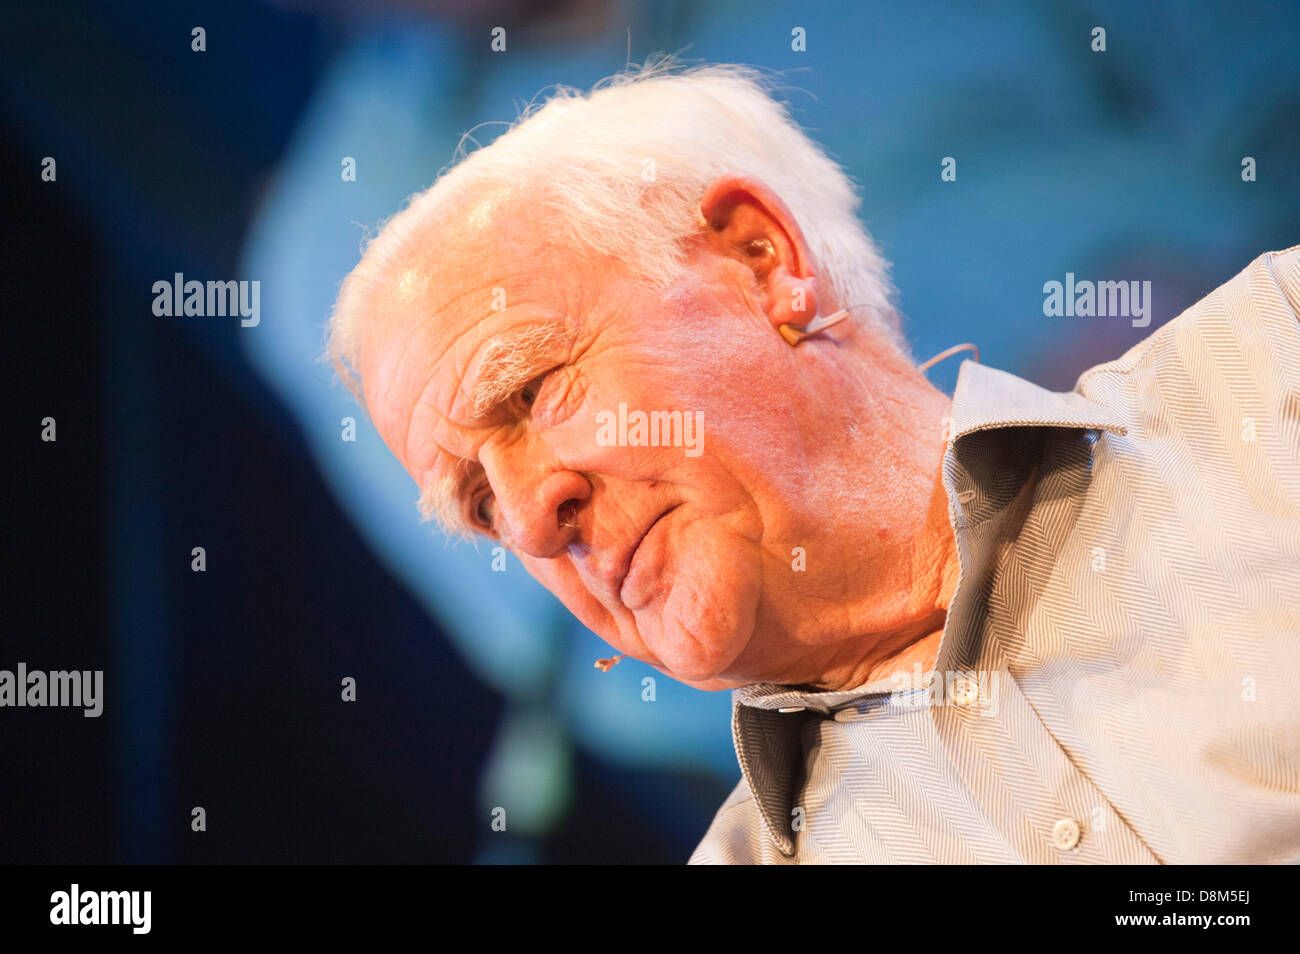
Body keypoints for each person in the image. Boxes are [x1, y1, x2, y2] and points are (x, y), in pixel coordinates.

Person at [324, 63, 1300, 863]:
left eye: (535, 387)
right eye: (479, 506)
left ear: (760, 259)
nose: (534, 521)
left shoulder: (1270, 369)